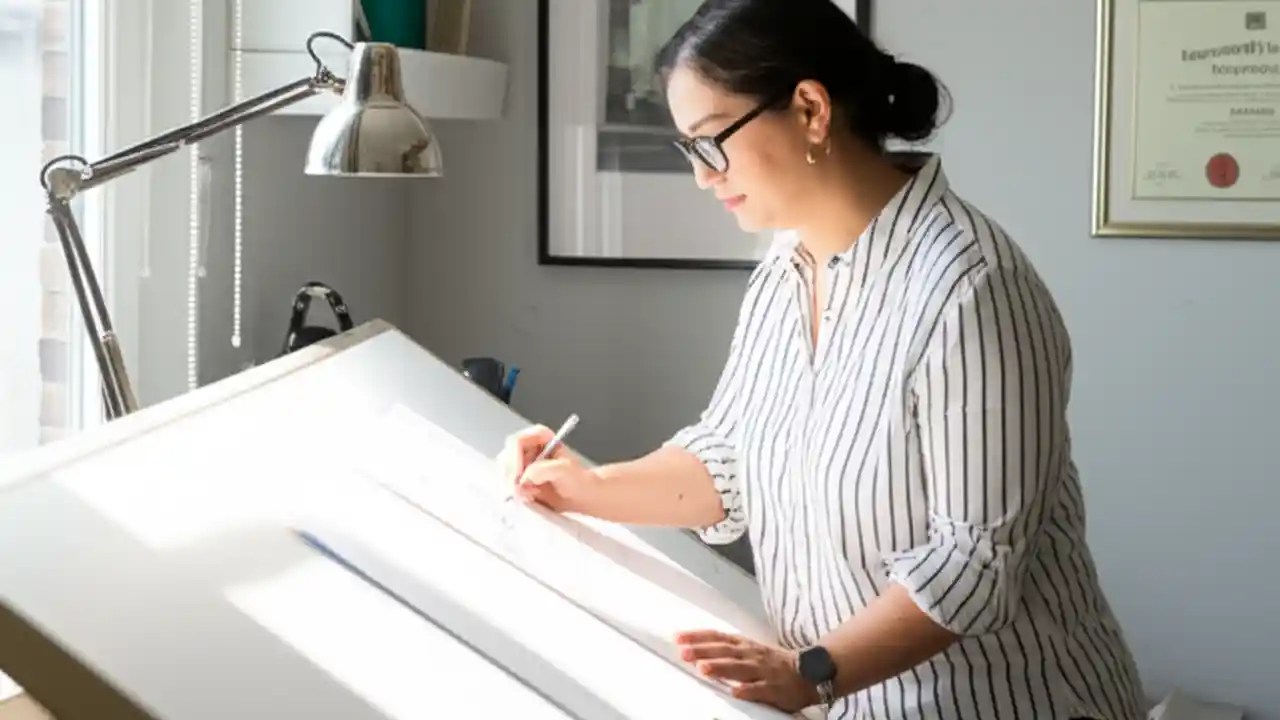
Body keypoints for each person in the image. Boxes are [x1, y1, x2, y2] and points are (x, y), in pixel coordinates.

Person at [500, 1, 1144, 718]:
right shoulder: (788, 266)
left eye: (711, 142)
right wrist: (580, 485)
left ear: (810, 109)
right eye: (690, 150)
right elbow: (727, 460)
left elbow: (975, 563)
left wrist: (809, 673)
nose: (703, 177)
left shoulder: (970, 289)